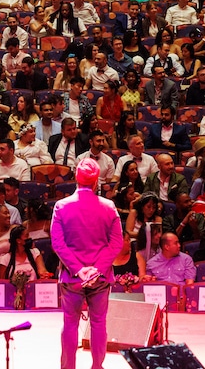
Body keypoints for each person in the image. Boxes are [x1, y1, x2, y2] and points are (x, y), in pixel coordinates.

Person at [51, 157, 124, 369]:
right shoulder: (109, 206)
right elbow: (116, 243)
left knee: (70, 324)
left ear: (76, 178)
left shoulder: (61, 206)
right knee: (99, 323)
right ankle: (97, 366)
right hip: (100, 277)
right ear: (96, 182)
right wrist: (97, 270)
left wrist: (79, 270)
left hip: (72, 277)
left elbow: (58, 243)